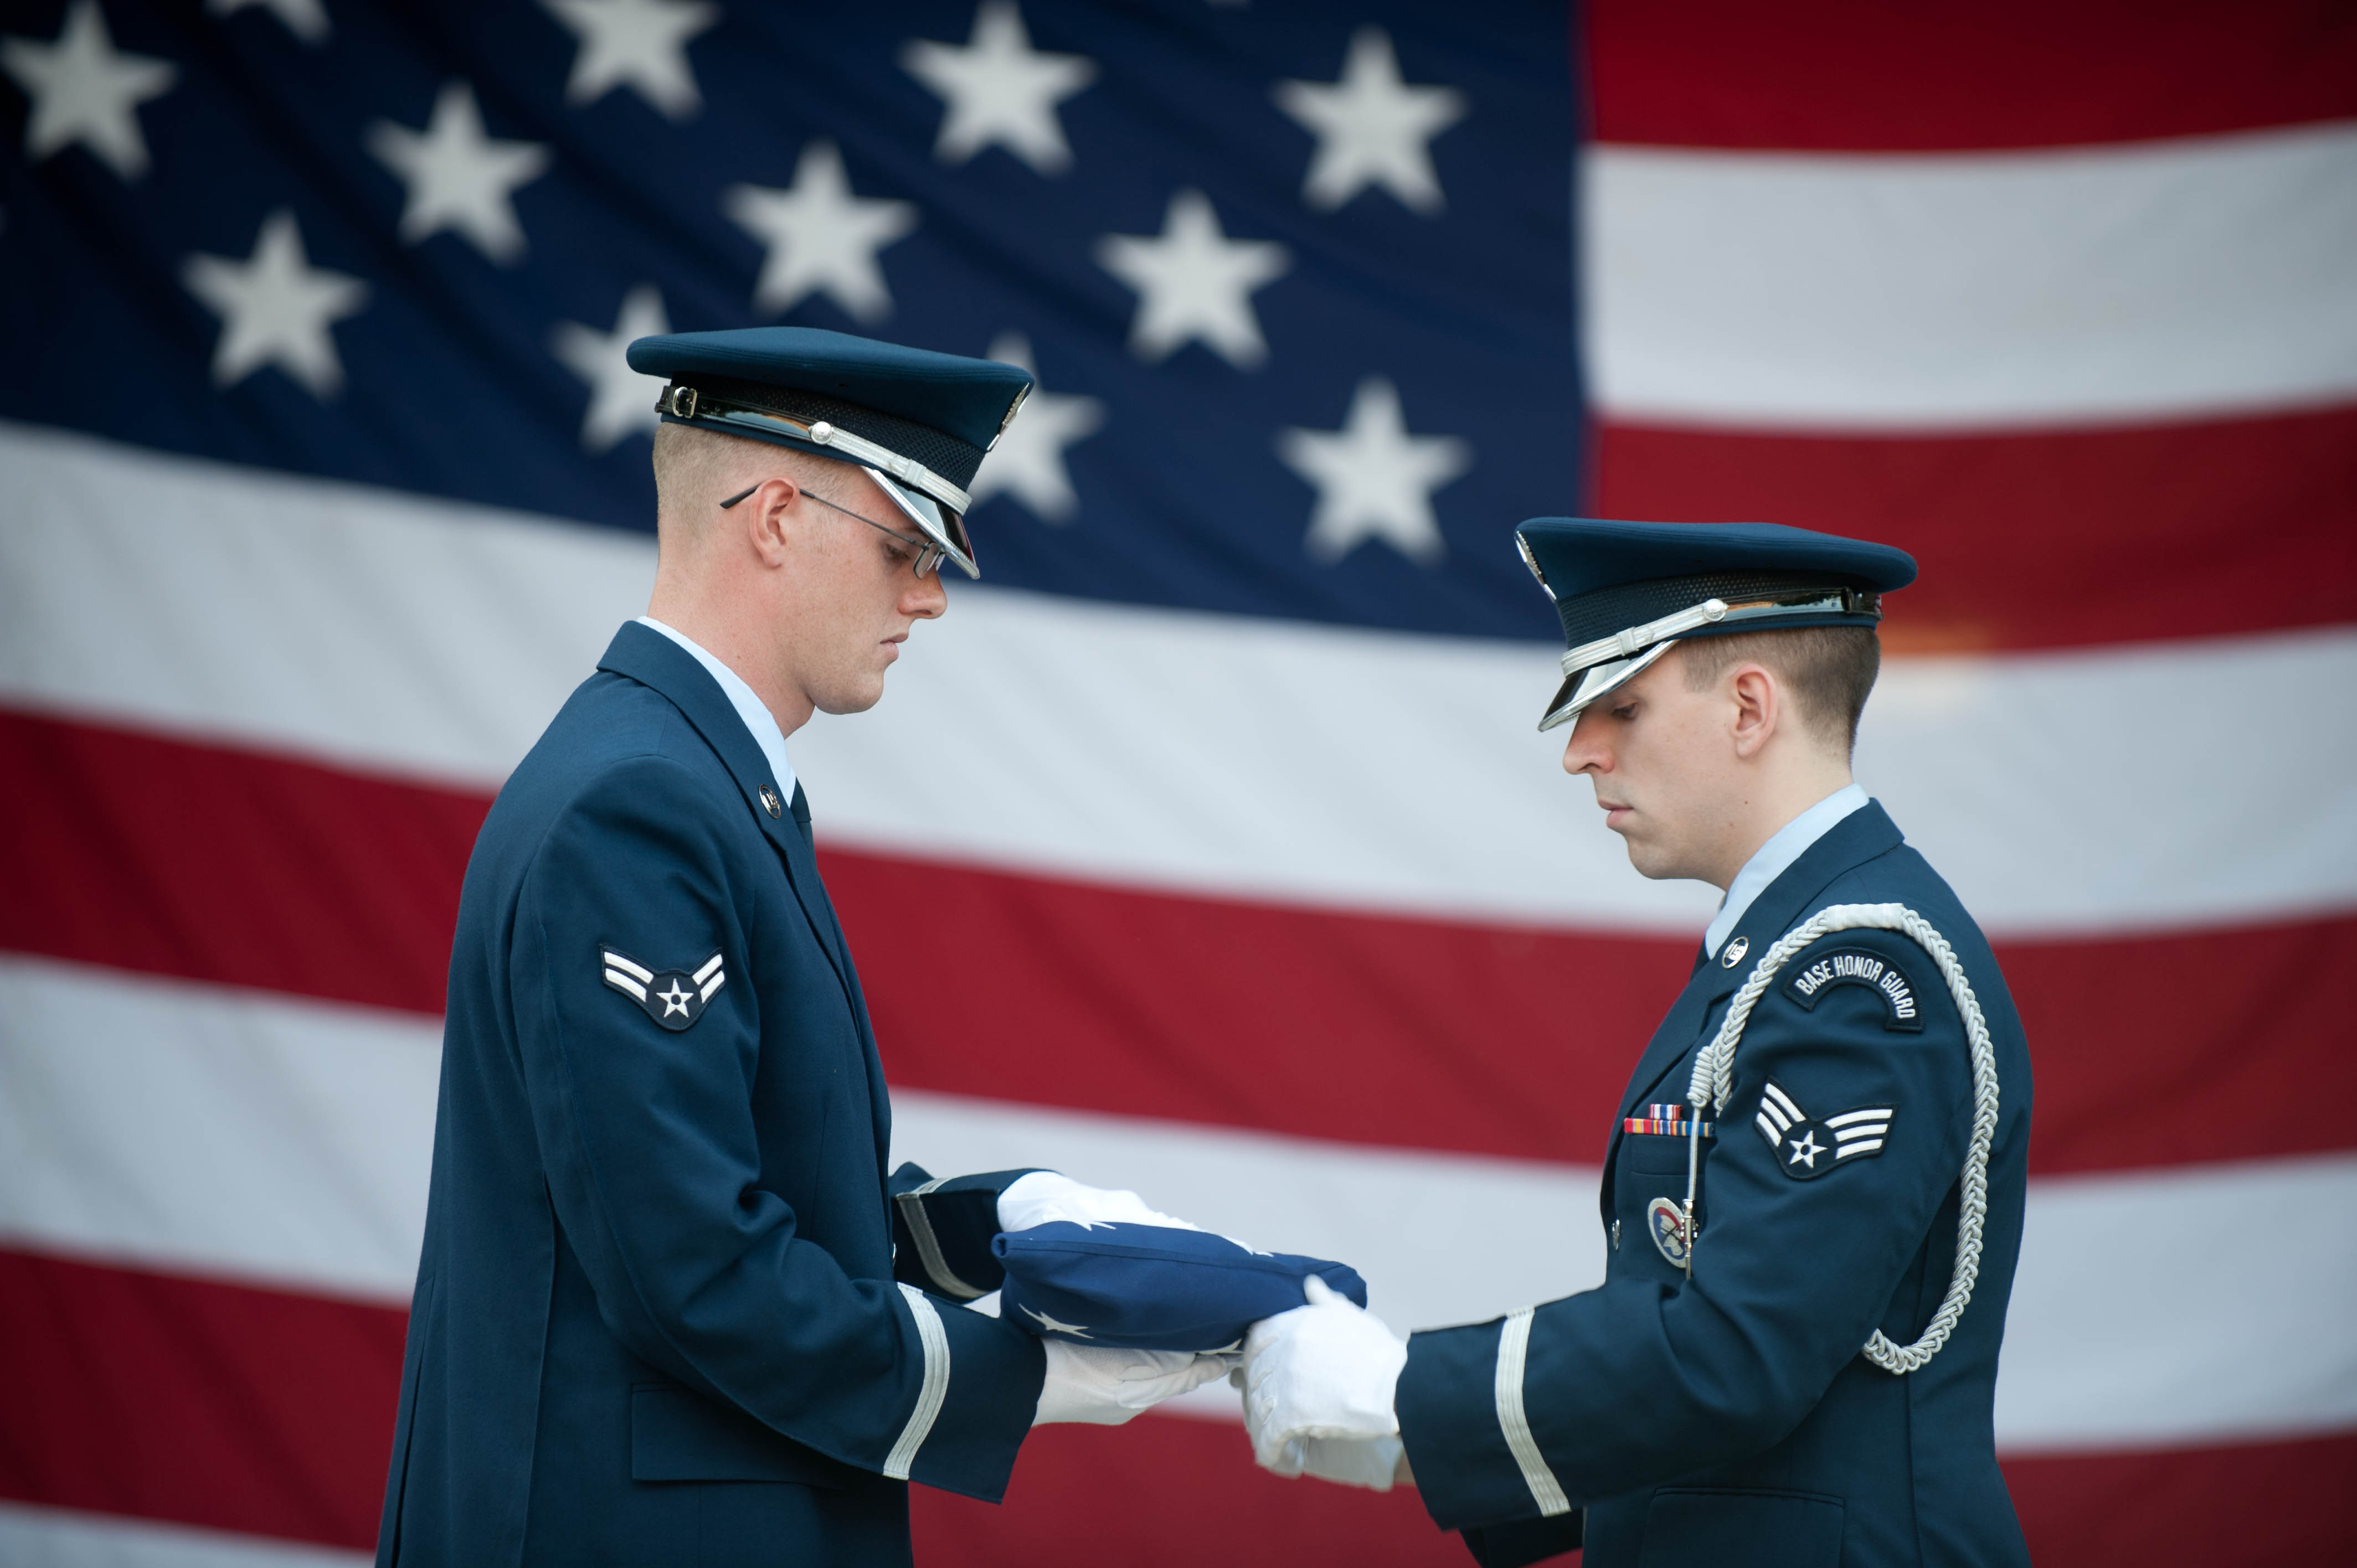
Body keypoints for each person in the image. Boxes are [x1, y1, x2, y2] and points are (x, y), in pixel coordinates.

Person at [375, 327, 1229, 1568]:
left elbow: (739, 1162)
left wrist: (998, 1228)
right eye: (905, 547)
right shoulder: (640, 804)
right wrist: (1024, 1376)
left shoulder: (694, 780)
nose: (928, 596)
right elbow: (695, 1265)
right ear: (775, 516)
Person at [1238, 519, 2035, 1567]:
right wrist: (1416, 1446)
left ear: (1751, 707)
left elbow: (1741, 1351)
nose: (1580, 753)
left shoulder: (1863, 975)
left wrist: (1406, 1401)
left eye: (1621, 707)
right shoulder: (1790, 949)